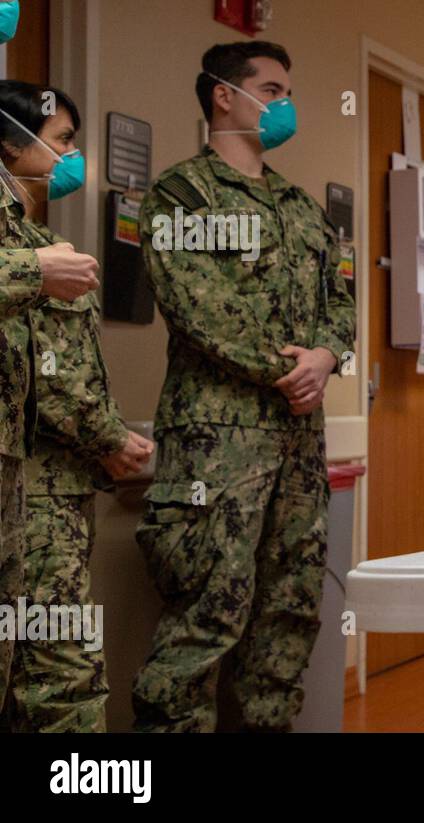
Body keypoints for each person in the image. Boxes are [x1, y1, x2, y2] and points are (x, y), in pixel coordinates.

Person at [133, 41, 355, 732]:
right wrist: (292, 369)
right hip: (215, 447)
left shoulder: (300, 205)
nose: (285, 103)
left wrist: (326, 354)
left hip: (297, 445)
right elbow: (199, 304)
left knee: (287, 616)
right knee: (207, 616)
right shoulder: (179, 193)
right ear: (223, 95)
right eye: (271, 88)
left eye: (289, 91)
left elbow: (339, 299)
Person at [0, 80, 154, 732]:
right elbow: (51, 371)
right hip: (36, 490)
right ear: (11, 139)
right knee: (63, 673)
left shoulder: (30, 231)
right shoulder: (32, 251)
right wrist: (109, 438)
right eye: (61, 139)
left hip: (45, 486)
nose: (71, 154)